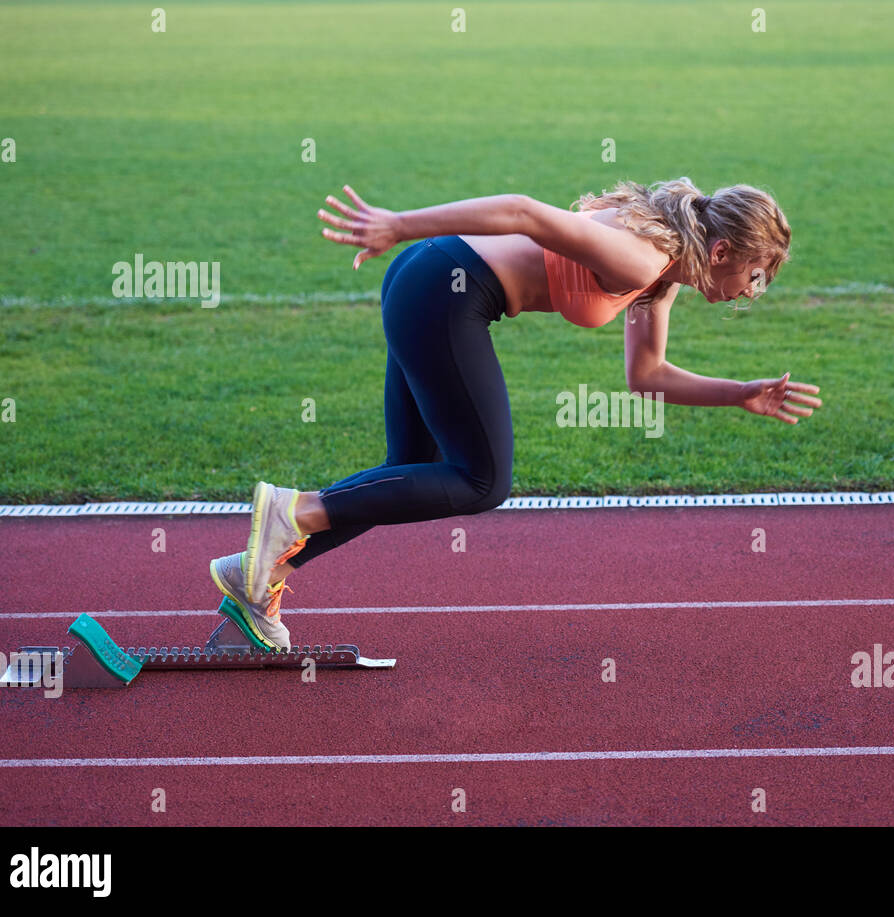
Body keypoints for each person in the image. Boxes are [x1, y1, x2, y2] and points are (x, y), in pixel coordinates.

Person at [209, 177, 821, 650]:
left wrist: (740, 391)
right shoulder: (642, 259)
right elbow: (523, 211)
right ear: (721, 251)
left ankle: (255, 575)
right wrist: (399, 223)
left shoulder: (662, 269)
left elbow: (647, 377)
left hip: (428, 281)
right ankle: (295, 513)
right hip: (446, 288)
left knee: (409, 471)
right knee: (481, 479)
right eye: (757, 277)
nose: (750, 292)